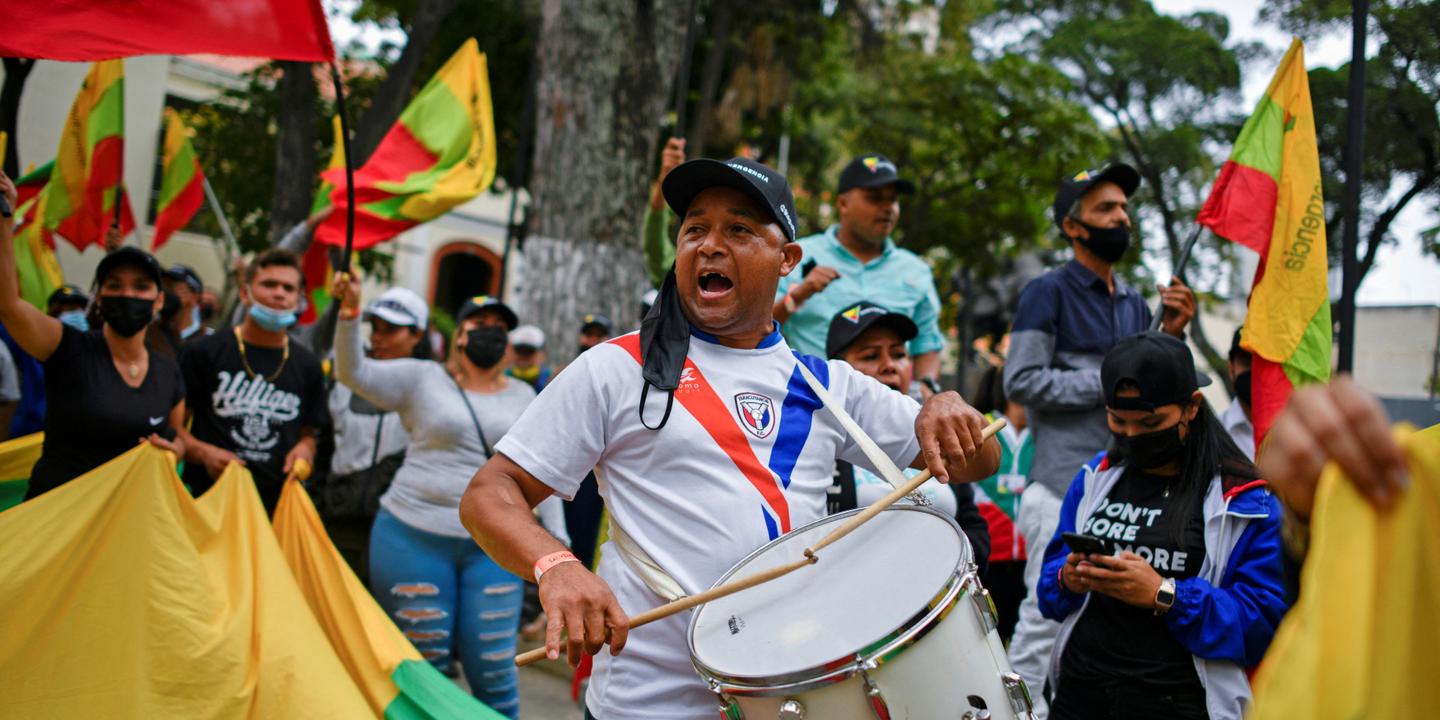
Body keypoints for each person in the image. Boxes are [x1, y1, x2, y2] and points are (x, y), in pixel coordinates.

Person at [458, 156, 1000, 719]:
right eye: (695, 229)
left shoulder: (830, 385)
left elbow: (979, 458)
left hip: (792, 700)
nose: (710, 245)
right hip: (647, 707)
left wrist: (948, 405)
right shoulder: (617, 367)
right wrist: (556, 566)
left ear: (788, 259)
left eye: (739, 229)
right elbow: (489, 493)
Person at [1004, 163, 1197, 710]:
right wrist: (1110, 379)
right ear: (1073, 226)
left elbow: (1149, 390)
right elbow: (1021, 380)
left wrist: (1170, 336)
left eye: (1125, 209)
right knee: (1042, 626)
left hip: (1125, 498)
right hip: (1060, 486)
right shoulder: (1046, 291)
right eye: (1106, 209)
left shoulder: (1135, 301)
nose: (1122, 218)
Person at [1038, 332, 1286, 720]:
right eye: (1118, 421)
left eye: (1151, 422)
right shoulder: (1094, 478)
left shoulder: (1246, 501)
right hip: (1080, 695)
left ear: (1192, 407)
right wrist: (1068, 578)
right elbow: (1047, 591)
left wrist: (1164, 594)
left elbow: (1263, 624)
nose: (1132, 435)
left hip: (1178, 702)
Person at [330, 282, 535, 718]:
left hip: (495, 548)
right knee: (427, 670)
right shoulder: (422, 377)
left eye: (499, 326)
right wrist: (349, 316)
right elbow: (352, 373)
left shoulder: (525, 396)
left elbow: (540, 470)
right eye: (479, 323)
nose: (489, 331)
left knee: (495, 671)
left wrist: (557, 552)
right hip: (411, 537)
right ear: (459, 335)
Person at [0, 172, 185, 498]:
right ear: (99, 298)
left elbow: (178, 435)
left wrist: (173, 450)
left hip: (124, 519)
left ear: (158, 301)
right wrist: (4, 219)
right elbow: (9, 305)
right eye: (115, 285)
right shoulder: (67, 347)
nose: (127, 294)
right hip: (57, 515)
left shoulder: (168, 371)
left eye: (141, 286)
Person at [823, 300, 992, 569]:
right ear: (839, 373)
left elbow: (974, 528)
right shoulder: (824, 440)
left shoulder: (938, 434)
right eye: (870, 356)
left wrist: (945, 563)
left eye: (899, 354)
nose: (889, 365)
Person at [773, 154, 946, 395]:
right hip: (811, 403)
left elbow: (926, 344)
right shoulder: (796, 255)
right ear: (843, 204)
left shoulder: (915, 270)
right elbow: (757, 326)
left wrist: (927, 389)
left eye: (893, 199)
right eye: (874, 198)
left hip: (889, 407)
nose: (888, 208)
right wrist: (798, 296)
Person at [177, 248, 327, 515]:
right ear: (245, 293)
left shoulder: (309, 366)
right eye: (269, 284)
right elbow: (173, 428)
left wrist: (305, 451)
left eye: (288, 288)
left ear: (299, 300)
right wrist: (204, 453)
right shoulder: (203, 352)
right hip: (207, 504)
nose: (279, 293)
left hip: (274, 511)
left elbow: (309, 434)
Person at [320, 287, 429, 584]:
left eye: (391, 330)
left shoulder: (432, 388)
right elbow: (324, 441)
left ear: (417, 335)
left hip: (399, 525)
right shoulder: (343, 381)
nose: (378, 338)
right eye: (375, 328)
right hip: (339, 519)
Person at [971, 365, 1033, 643]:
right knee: (988, 634)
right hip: (991, 555)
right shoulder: (981, 424)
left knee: (1020, 631)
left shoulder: (1045, 433)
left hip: (1030, 553)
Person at [1222, 328, 1255, 460]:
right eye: (1247, 362)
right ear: (1231, 370)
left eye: (1263, 363)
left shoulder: (1298, 433)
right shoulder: (1213, 433)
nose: (1255, 370)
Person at [163, 264, 212, 344]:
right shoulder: (152, 328)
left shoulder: (208, 340)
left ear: (194, 297)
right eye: (165, 285)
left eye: (174, 287)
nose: (166, 291)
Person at [508, 324, 553, 391]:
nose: (523, 356)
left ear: (543, 355)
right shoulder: (500, 380)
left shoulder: (552, 381)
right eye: (519, 351)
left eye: (529, 352)